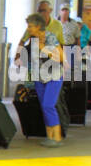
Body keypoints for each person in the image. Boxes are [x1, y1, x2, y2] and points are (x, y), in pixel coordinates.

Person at [18, 13, 66, 146]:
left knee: (48, 105)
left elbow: (61, 57)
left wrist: (43, 49)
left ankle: (57, 138)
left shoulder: (50, 37)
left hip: (54, 76)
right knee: (44, 106)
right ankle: (49, 136)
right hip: (39, 77)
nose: (28, 28)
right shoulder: (32, 39)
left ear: (39, 26)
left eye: (30, 26)